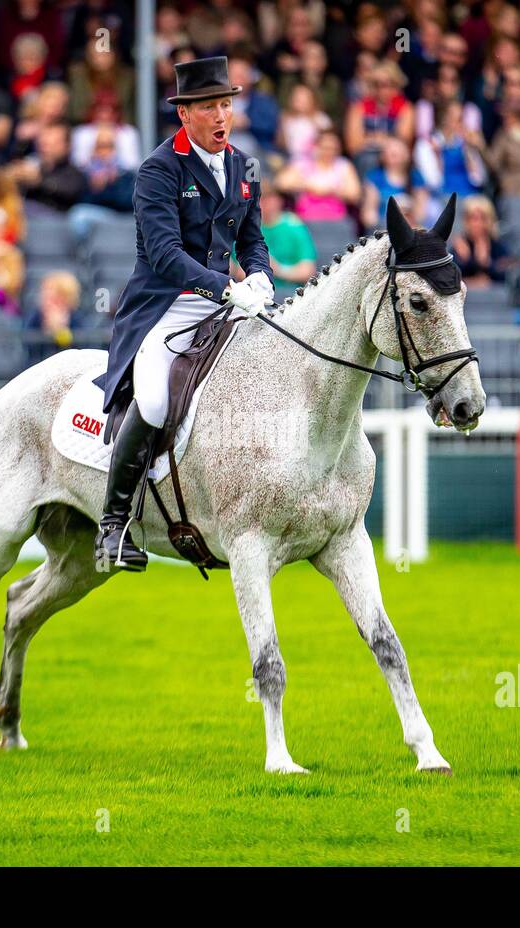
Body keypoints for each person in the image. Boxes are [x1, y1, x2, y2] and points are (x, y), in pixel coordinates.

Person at [91, 56, 274, 571]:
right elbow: (166, 254)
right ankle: (114, 525)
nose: (222, 116)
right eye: (210, 107)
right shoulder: (158, 170)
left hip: (225, 303)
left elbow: (253, 239)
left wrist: (260, 276)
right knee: (152, 401)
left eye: (226, 104)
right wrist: (225, 286)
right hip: (165, 307)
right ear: (186, 115)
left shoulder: (244, 165)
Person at [260, 187, 317, 298]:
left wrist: (278, 269)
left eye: (270, 198)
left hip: (292, 294)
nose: (267, 204)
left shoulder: (294, 226)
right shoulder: (247, 228)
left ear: (279, 200)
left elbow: (308, 270)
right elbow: (238, 272)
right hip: (257, 295)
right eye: (262, 199)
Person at [451, 195, 512, 286]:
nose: (478, 224)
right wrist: (467, 260)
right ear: (466, 221)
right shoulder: (459, 247)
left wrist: (486, 262)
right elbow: (452, 278)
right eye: (473, 218)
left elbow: (505, 277)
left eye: (482, 218)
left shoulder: (499, 247)